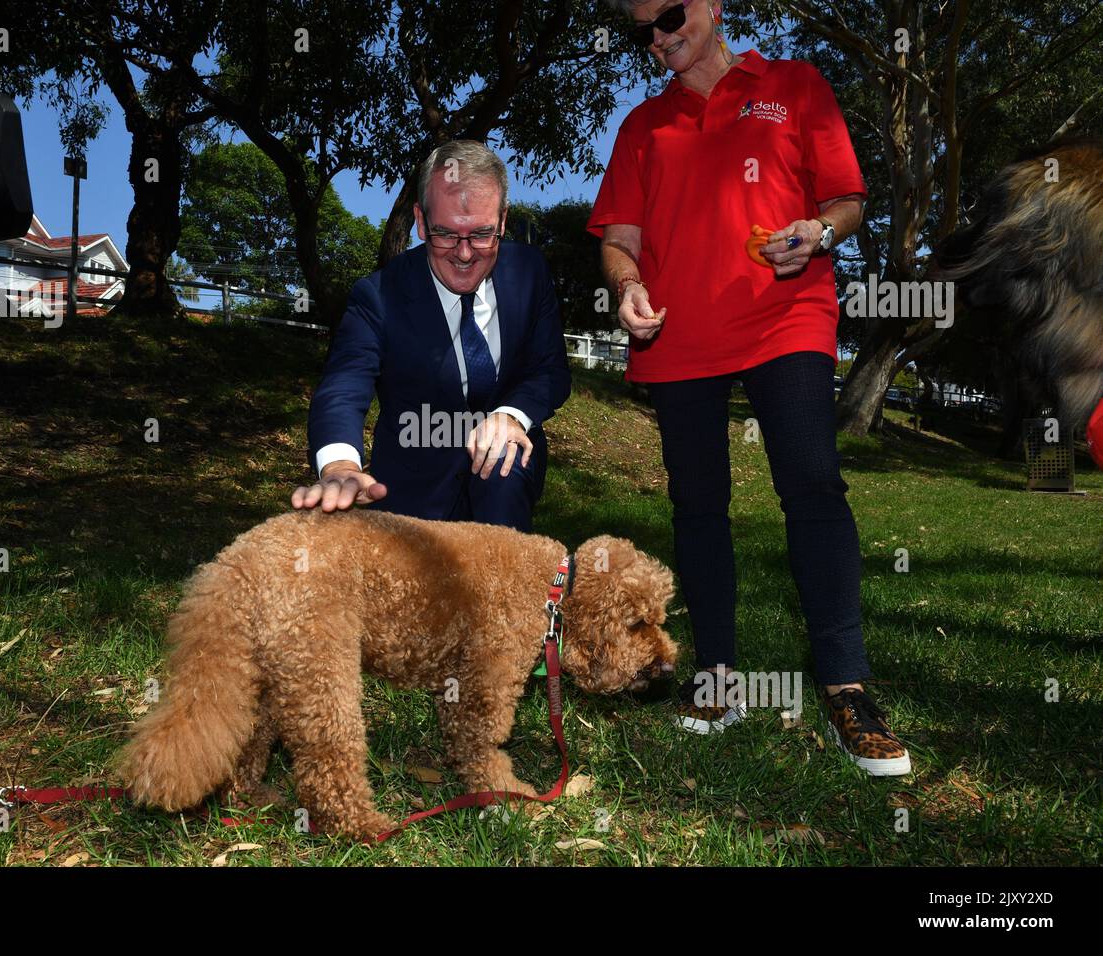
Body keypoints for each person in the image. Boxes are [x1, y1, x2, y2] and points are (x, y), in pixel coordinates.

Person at [592, 0, 910, 775]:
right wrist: (626, 286)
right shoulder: (643, 126)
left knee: (810, 480)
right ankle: (719, 675)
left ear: (712, 6)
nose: (660, 36)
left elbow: (848, 202)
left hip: (786, 314)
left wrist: (817, 235)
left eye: (670, 15)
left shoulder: (795, 85)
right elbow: (619, 238)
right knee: (697, 504)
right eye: (643, 31)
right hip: (678, 332)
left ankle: (846, 685)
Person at [293, 140, 571, 532]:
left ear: (503, 222)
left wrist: (510, 416)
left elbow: (549, 370)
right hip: (410, 484)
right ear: (421, 222)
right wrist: (340, 465)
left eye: (481, 234)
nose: (463, 253)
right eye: (444, 234)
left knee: (500, 542)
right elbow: (344, 385)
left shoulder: (530, 273)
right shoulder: (377, 297)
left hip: (504, 480)